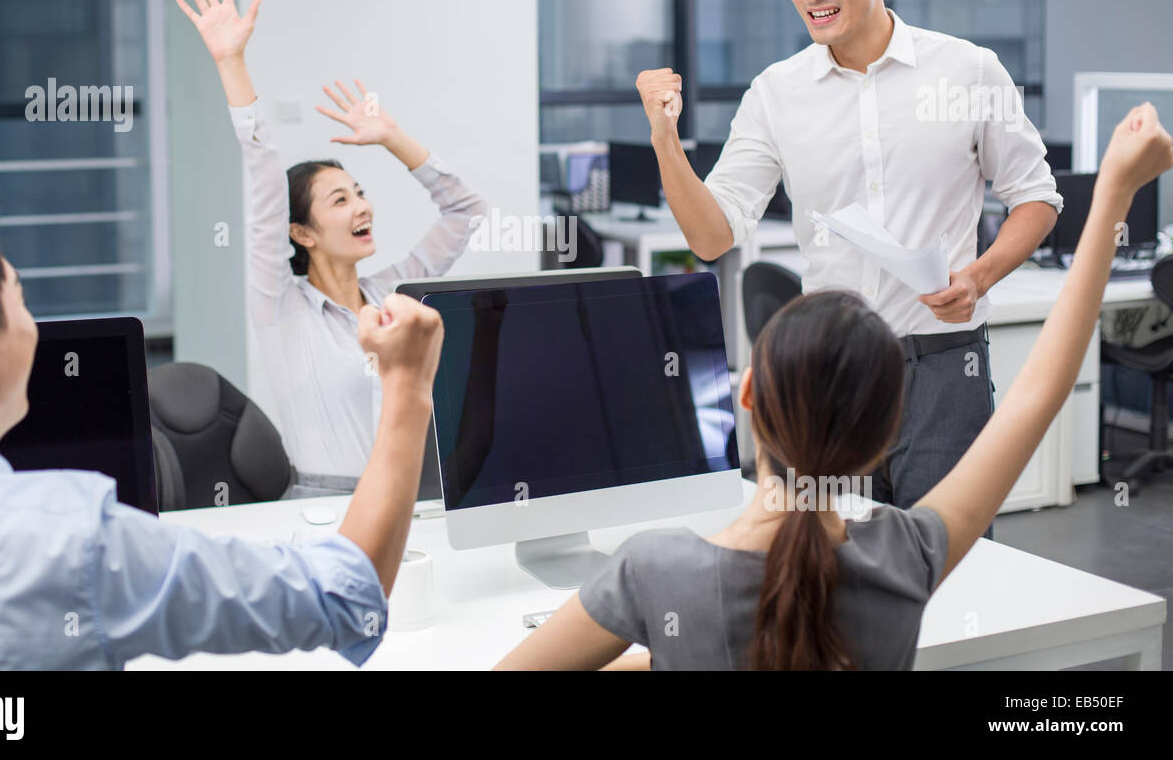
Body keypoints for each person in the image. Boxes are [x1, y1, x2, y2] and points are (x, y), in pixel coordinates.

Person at [497, 103, 1171, 670]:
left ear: (748, 391)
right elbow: (1037, 395)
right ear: (883, 435)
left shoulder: (654, 572)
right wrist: (1116, 189)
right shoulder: (908, 555)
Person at [0, 171, 444, 669]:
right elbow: (342, 600)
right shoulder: (69, 540)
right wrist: (409, 387)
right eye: (20, 300)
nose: (33, 326)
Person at [635, 0, 1063, 518]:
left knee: (952, 575)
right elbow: (711, 235)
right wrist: (665, 142)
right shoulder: (776, 93)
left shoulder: (967, 72)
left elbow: (1037, 198)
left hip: (944, 368)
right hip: (831, 374)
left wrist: (978, 275)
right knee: (829, 578)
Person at [175, 0, 487, 494]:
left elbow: (466, 211)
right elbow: (266, 178)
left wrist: (393, 138)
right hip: (324, 505)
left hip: (415, 495)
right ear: (302, 233)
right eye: (340, 200)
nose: (362, 206)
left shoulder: (393, 292)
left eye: (360, 193)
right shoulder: (281, 305)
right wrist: (232, 62)